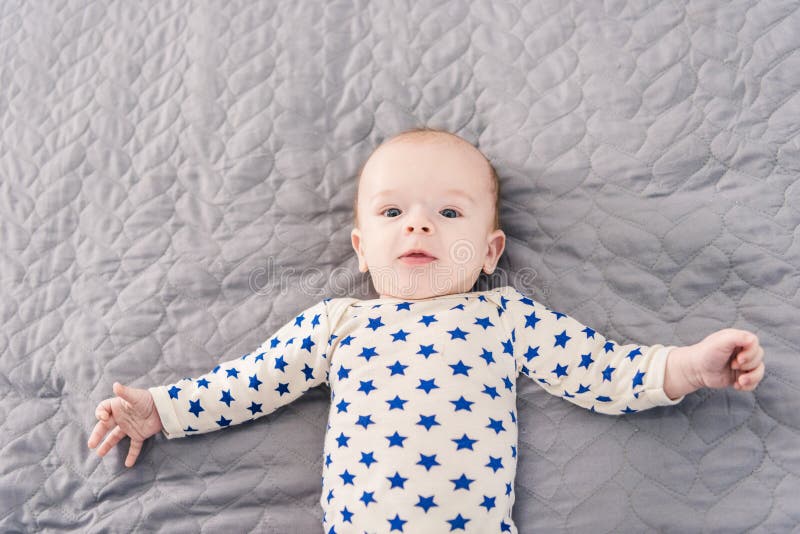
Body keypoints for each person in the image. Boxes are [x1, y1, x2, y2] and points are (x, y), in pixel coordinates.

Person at [88, 128, 765, 533]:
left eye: (448, 212)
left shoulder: (505, 316)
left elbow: (603, 370)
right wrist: (161, 410)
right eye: (392, 213)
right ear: (361, 249)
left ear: (490, 252)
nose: (418, 224)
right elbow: (249, 383)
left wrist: (690, 367)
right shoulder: (338, 324)